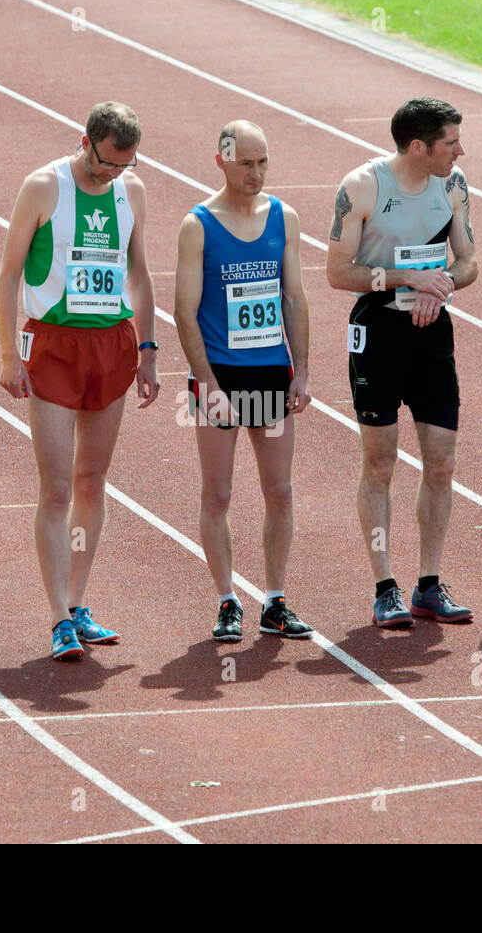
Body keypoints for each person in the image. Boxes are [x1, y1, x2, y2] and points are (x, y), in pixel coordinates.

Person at [0, 102, 161, 660]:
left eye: (125, 165)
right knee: (58, 487)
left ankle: (78, 603)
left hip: (111, 342)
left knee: (92, 481)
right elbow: (8, 273)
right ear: (84, 140)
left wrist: (149, 348)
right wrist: (7, 355)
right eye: (107, 162)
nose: (113, 173)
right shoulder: (43, 187)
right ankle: (56, 619)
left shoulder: (130, 191)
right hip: (55, 344)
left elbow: (139, 272)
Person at [326, 97, 479, 628]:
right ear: (418, 147)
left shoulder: (453, 186)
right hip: (379, 330)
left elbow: (469, 260)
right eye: (450, 143)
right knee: (382, 463)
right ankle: (385, 586)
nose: (460, 151)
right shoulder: (363, 187)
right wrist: (404, 278)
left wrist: (443, 285)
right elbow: (338, 272)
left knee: (442, 462)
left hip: (432, 330)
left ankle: (429, 586)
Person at [174, 121, 312, 642]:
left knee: (279, 490)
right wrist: (206, 383)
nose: (256, 173)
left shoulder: (284, 217)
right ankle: (226, 599)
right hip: (221, 377)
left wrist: (302, 372)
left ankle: (275, 600)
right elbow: (184, 311)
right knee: (219, 495)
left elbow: (294, 298)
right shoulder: (199, 225)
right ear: (221, 161)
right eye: (245, 163)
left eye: (263, 162)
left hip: (272, 374)